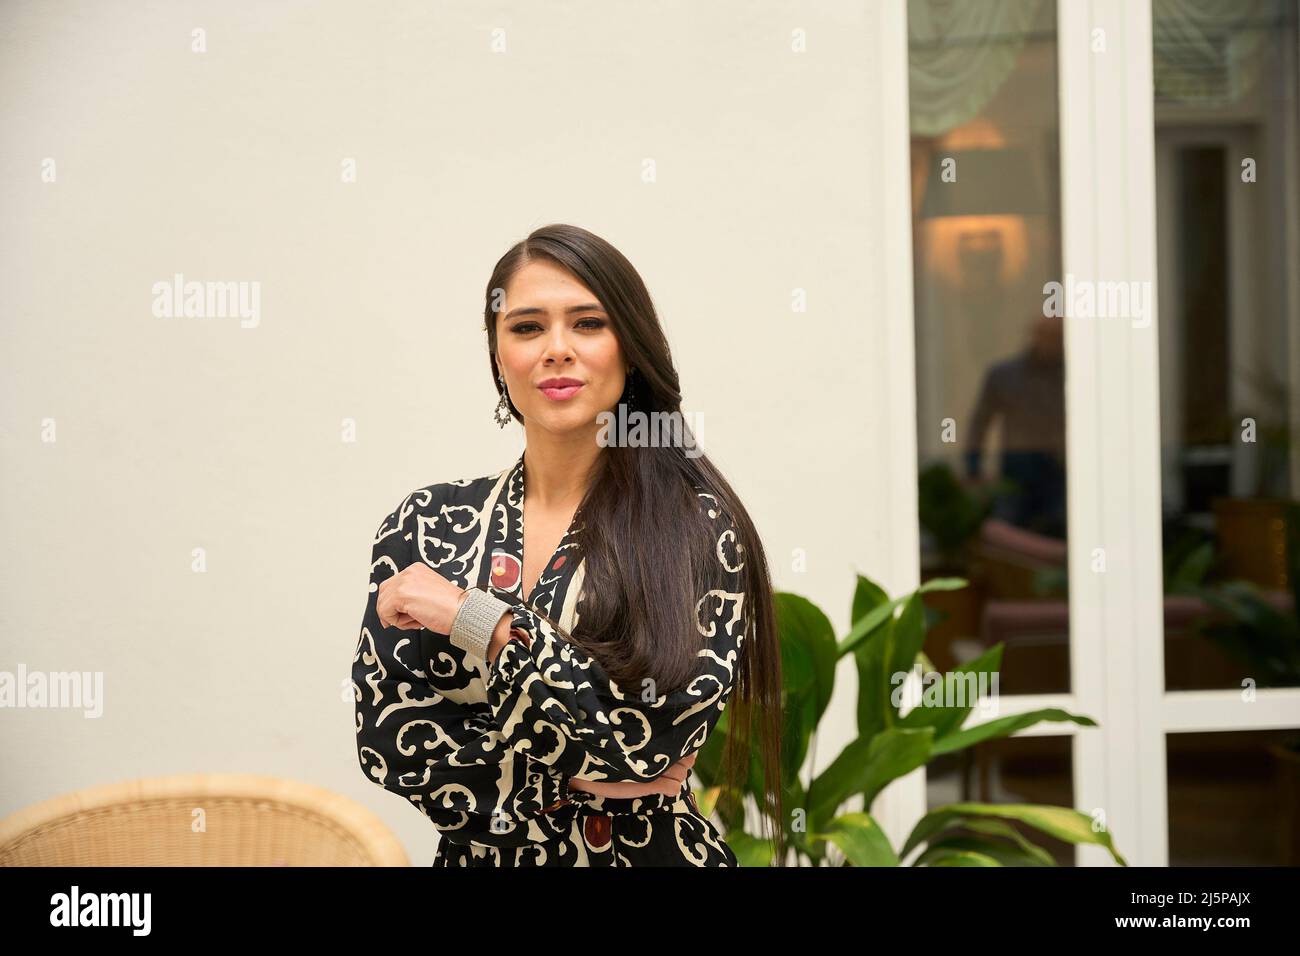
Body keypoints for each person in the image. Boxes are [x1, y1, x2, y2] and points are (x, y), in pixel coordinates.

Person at [351, 223, 784, 866]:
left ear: (630, 348)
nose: (556, 349)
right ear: (499, 354)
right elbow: (393, 747)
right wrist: (583, 781)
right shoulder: (424, 525)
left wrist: (481, 622)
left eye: (587, 324)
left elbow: (644, 745)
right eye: (527, 328)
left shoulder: (695, 530)